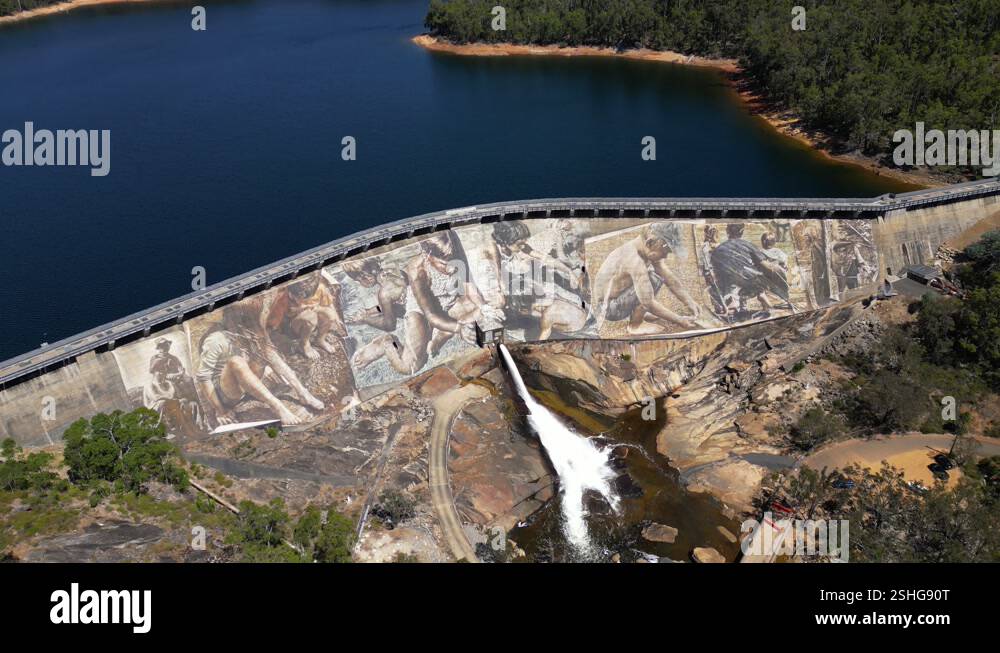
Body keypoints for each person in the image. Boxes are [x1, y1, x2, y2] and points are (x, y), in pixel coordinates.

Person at [592, 222, 703, 335]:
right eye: (665, 251)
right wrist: (680, 320)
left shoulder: (644, 249)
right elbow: (648, 302)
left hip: (615, 300)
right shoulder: (634, 260)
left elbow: (670, 279)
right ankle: (635, 325)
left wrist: (689, 302)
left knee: (654, 276)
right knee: (651, 279)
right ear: (650, 243)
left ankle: (638, 312)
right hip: (609, 309)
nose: (665, 256)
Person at [709, 223, 790, 316]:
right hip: (747, 281)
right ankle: (783, 299)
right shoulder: (747, 245)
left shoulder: (718, 249)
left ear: (727, 231)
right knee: (774, 271)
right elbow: (766, 266)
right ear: (742, 231)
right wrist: (779, 269)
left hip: (726, 283)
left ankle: (739, 306)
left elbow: (715, 271)